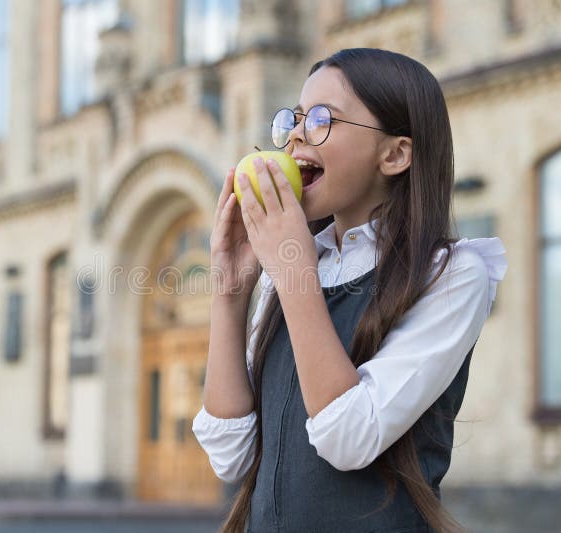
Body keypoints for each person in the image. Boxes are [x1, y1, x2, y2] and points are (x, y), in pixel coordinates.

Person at [193, 48, 508, 533]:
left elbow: (349, 437)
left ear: (396, 154)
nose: (297, 134)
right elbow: (231, 457)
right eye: (295, 118)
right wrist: (231, 290)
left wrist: (292, 268)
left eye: (323, 119)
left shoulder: (452, 274)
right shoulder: (292, 264)